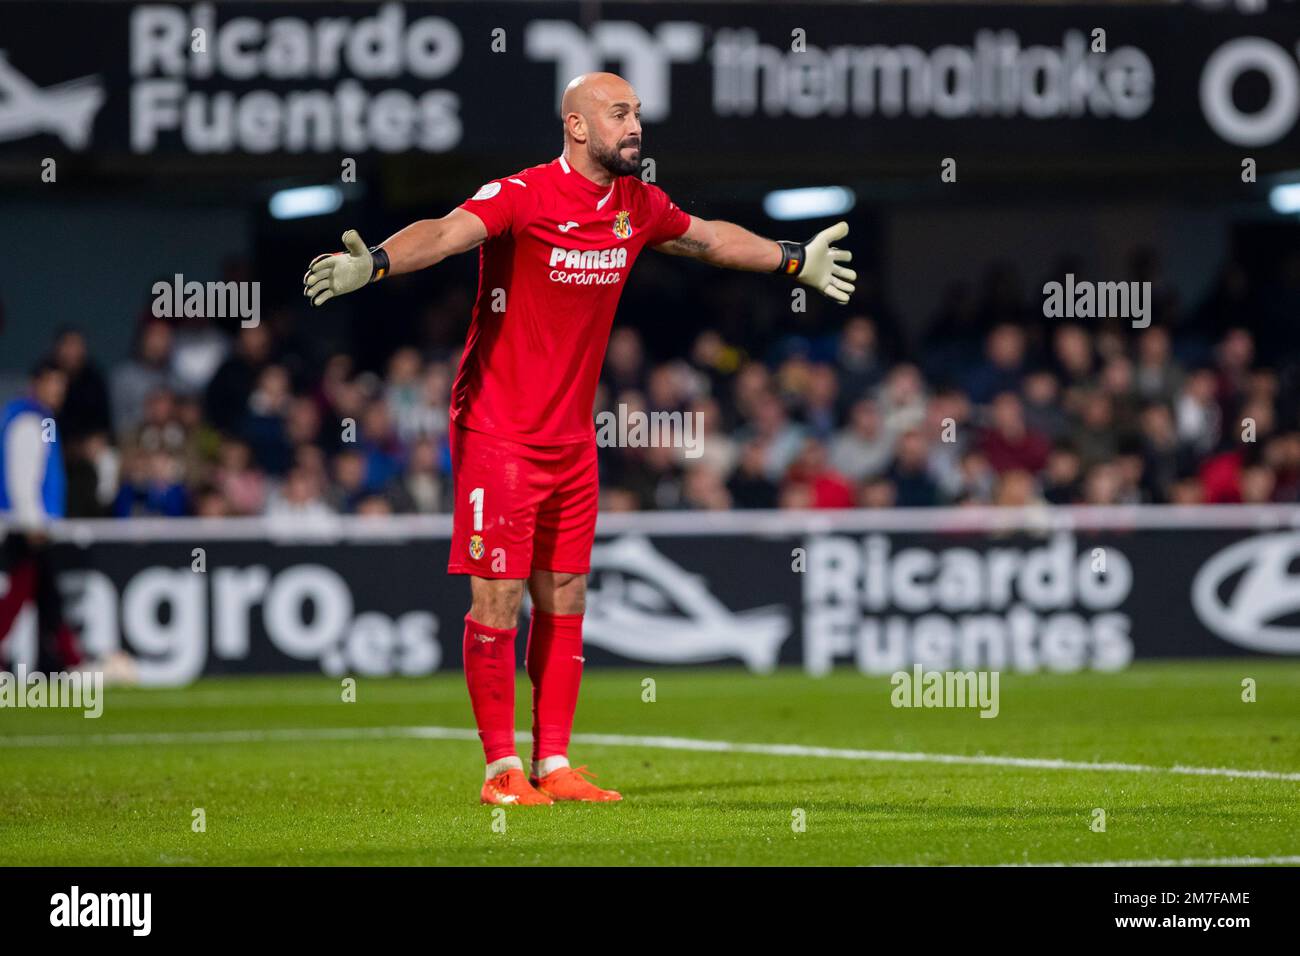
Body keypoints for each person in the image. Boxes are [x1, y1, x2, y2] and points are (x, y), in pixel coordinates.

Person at [303, 72, 855, 807]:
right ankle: (501, 770)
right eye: (618, 113)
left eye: (637, 114)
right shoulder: (522, 194)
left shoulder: (637, 204)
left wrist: (792, 258)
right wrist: (371, 262)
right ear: (576, 126)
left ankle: (554, 761)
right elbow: (442, 233)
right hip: (497, 429)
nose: (635, 126)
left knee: (565, 592)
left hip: (571, 437)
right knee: (497, 598)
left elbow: (711, 239)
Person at [0, 361, 82, 672]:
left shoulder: (38, 419)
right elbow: (22, 477)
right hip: (23, 527)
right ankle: (68, 660)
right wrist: (33, 521)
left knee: (43, 595)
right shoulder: (30, 421)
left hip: (27, 524)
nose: (58, 392)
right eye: (52, 384)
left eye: (62, 385)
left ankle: (65, 660)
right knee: (21, 594)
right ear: (37, 383)